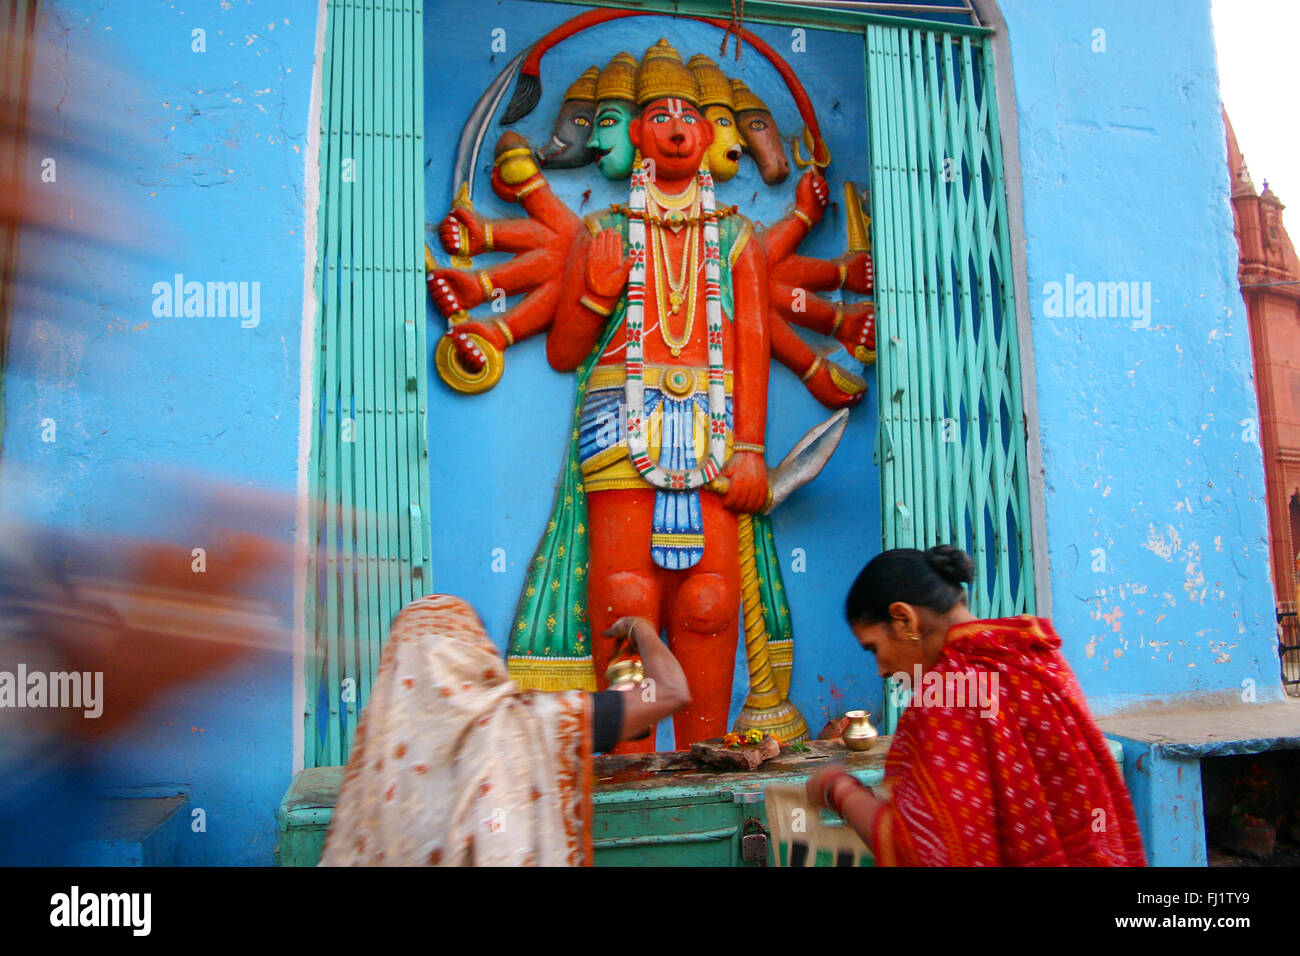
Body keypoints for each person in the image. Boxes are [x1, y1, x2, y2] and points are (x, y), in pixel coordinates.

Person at [806, 546, 1147, 866]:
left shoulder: (946, 696)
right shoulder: (1039, 658)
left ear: (904, 620)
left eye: (873, 648)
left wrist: (840, 789)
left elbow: (922, 851)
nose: (881, 670)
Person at [318, 595, 689, 866]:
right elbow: (668, 692)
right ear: (478, 650)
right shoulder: (533, 722)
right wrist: (640, 630)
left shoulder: (373, 766)